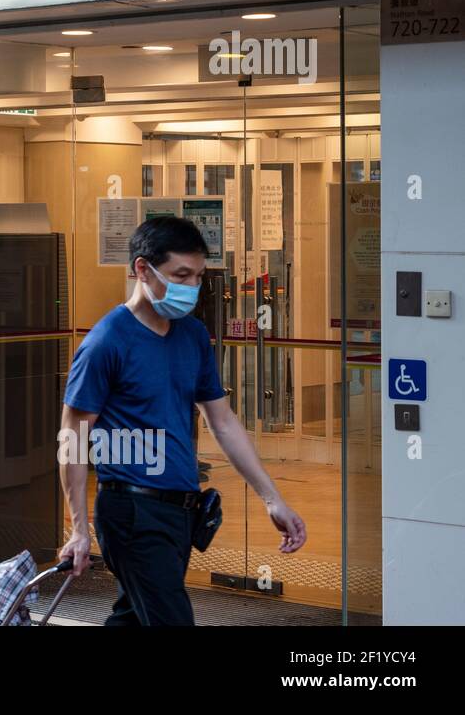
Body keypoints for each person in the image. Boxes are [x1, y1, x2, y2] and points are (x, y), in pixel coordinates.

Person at [58, 216, 307, 626]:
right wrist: (79, 529)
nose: (191, 287)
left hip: (180, 512)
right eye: (181, 275)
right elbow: (73, 435)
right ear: (143, 269)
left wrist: (271, 498)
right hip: (131, 511)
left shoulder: (192, 335)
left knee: (134, 619)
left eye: (197, 276)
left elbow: (222, 421)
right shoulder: (106, 342)